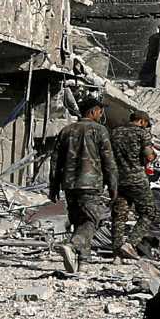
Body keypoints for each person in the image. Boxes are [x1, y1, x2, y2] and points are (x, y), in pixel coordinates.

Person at [48, 96, 116, 273]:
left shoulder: (66, 130)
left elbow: (55, 161)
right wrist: (113, 186)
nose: (101, 115)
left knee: (79, 221)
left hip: (69, 185)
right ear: (93, 111)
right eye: (100, 112)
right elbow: (109, 161)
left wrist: (54, 186)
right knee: (92, 220)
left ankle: (83, 262)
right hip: (90, 184)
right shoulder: (100, 131)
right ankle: (73, 244)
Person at [107, 108, 157, 258]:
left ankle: (117, 253)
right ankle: (130, 243)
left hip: (118, 179)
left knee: (119, 215)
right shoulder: (142, 133)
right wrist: (154, 155)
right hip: (136, 179)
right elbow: (149, 156)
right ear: (142, 121)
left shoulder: (115, 132)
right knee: (149, 212)